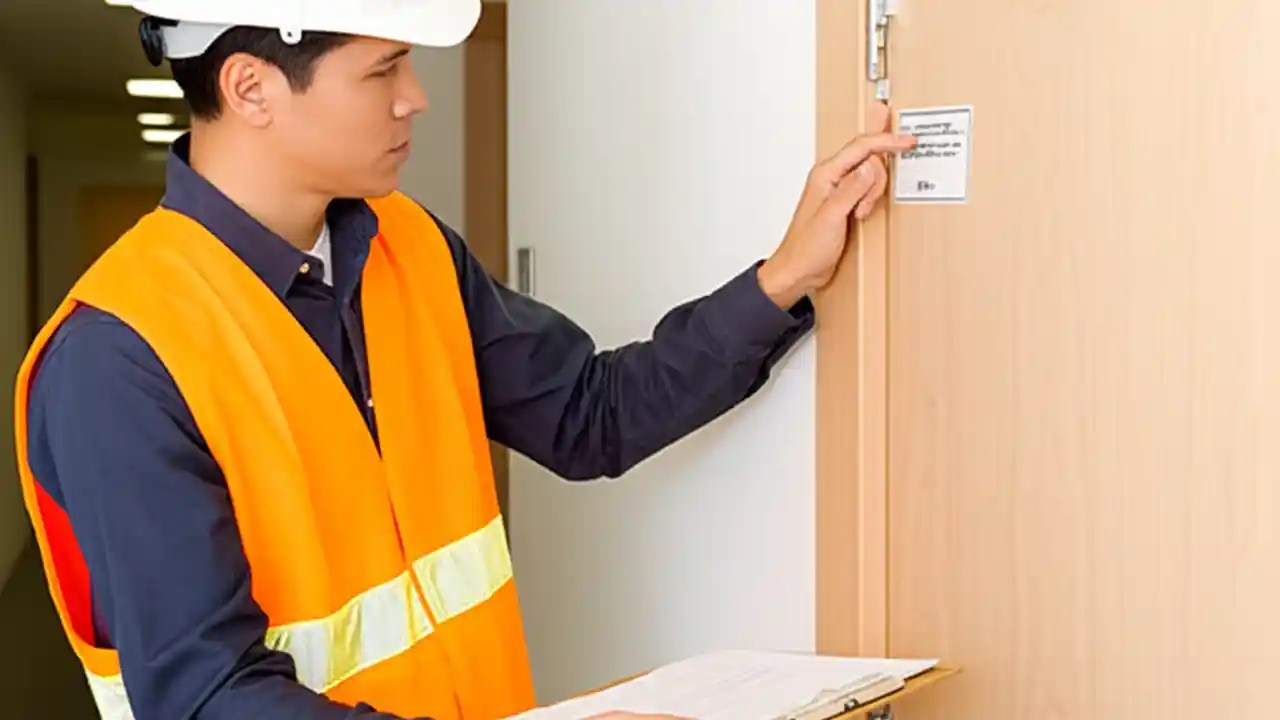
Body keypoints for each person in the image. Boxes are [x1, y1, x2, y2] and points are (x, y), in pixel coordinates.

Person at [13, 2, 917, 719]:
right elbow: (210, 699)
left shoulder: (405, 249)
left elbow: (589, 415)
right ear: (251, 88)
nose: (416, 97)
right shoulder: (119, 358)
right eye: (383, 68)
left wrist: (782, 278)